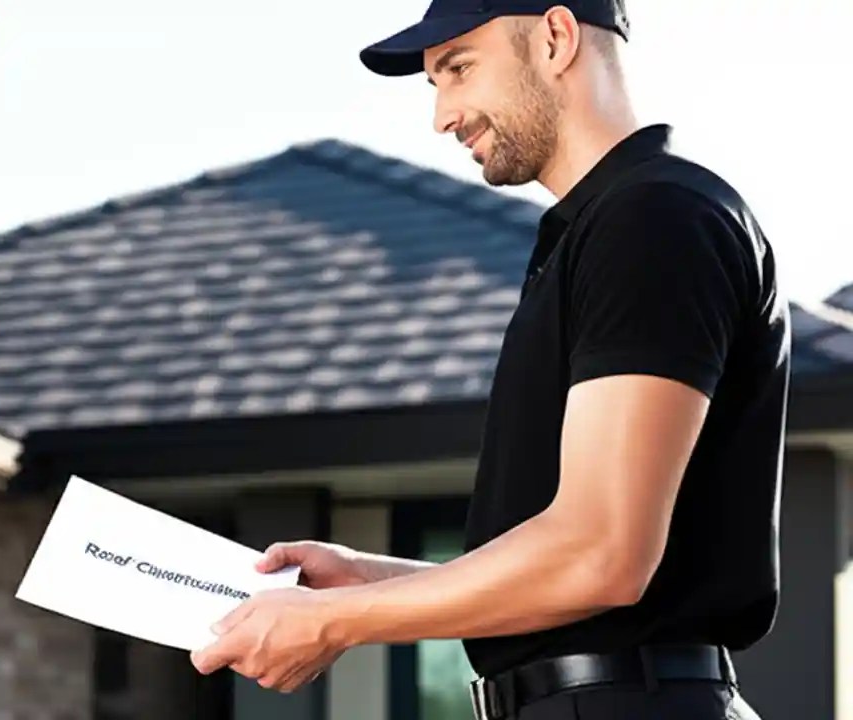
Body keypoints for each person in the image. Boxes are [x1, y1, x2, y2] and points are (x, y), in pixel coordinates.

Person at [189, 1, 785, 718]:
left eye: (459, 69)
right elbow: (585, 570)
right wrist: (369, 582)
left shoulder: (654, 220)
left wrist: (334, 621)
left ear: (556, 38)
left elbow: (602, 554)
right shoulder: (604, 231)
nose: (443, 116)